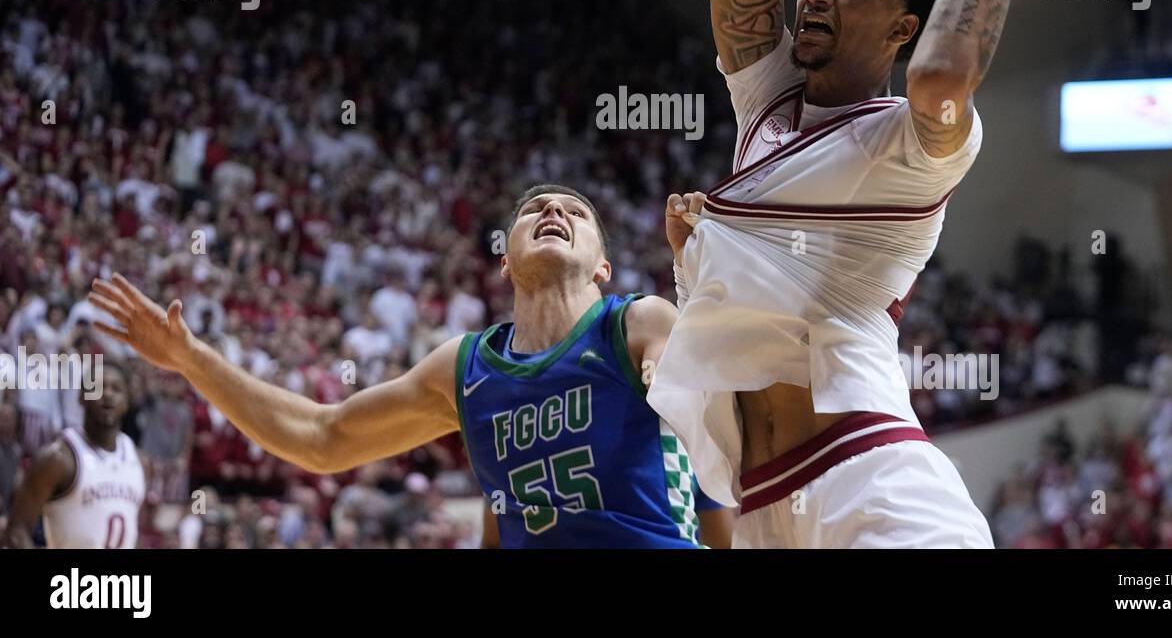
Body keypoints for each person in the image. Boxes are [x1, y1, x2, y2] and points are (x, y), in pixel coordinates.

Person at [647, 0, 1104, 547]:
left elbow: (943, 75)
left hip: (871, 478)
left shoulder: (913, 143)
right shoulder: (769, 104)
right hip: (759, 508)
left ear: (903, 26)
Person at [87, 184, 729, 548]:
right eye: (534, 209)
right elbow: (322, 438)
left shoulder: (636, 323)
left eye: (575, 211)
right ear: (505, 261)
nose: (553, 212)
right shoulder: (468, 368)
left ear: (602, 268)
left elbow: (713, 419)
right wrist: (191, 359)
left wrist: (683, 357)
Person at [3, 358, 146, 548]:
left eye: (116, 389)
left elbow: (132, 531)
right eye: (98, 387)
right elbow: (16, 532)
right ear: (81, 396)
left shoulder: (138, 461)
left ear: (127, 401)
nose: (107, 394)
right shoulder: (57, 459)